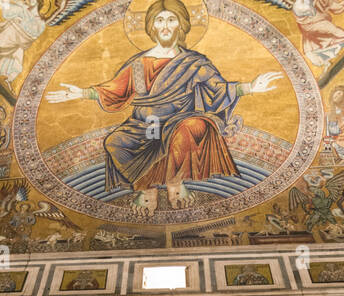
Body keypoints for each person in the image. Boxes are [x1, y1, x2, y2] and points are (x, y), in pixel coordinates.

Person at [46, 0, 281, 211]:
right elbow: (117, 89)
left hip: (181, 119)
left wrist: (250, 87)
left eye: (171, 19)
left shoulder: (193, 62)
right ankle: (145, 186)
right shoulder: (139, 64)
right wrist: (82, 93)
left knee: (191, 127)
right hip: (145, 124)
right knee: (113, 142)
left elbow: (217, 88)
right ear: (152, 27)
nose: (165, 25)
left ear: (181, 25)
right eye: (160, 20)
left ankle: (175, 182)